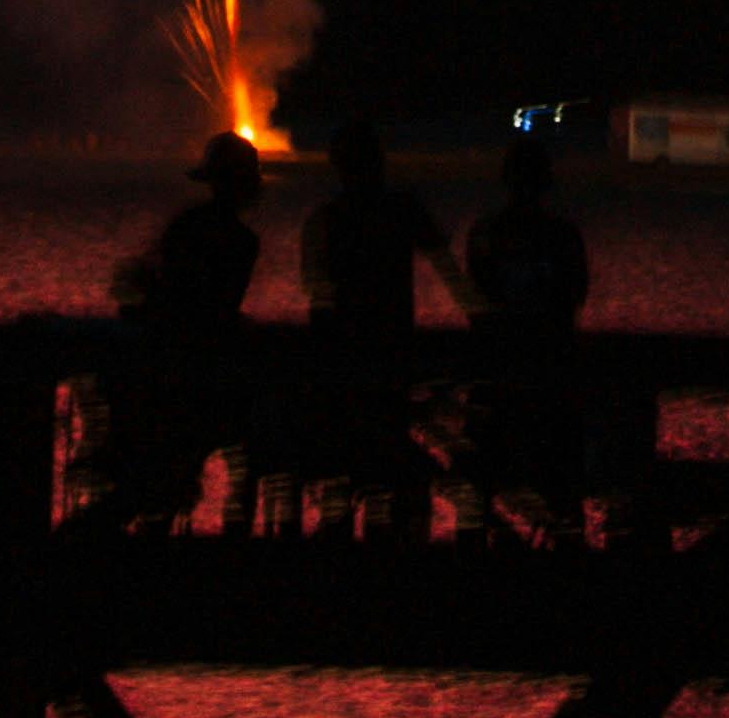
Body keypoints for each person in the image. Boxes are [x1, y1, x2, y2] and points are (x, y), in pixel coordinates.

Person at [301, 116, 464, 538]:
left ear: (338, 166)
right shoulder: (404, 209)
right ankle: (397, 535)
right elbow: (451, 273)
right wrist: (485, 320)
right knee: (392, 458)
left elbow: (317, 295)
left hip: (344, 360)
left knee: (347, 462)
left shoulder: (326, 220)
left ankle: (340, 532)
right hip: (393, 356)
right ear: (379, 161)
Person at [97, 129, 266, 534]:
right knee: (230, 460)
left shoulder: (187, 226)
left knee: (159, 472)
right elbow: (218, 307)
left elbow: (167, 290)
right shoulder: (243, 242)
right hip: (205, 371)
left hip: (165, 363)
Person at [460, 125, 593, 546]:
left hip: (496, 372)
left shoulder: (484, 234)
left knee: (483, 477)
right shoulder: (564, 236)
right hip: (551, 374)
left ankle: (481, 538)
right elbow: (576, 294)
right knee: (557, 478)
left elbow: (477, 297)